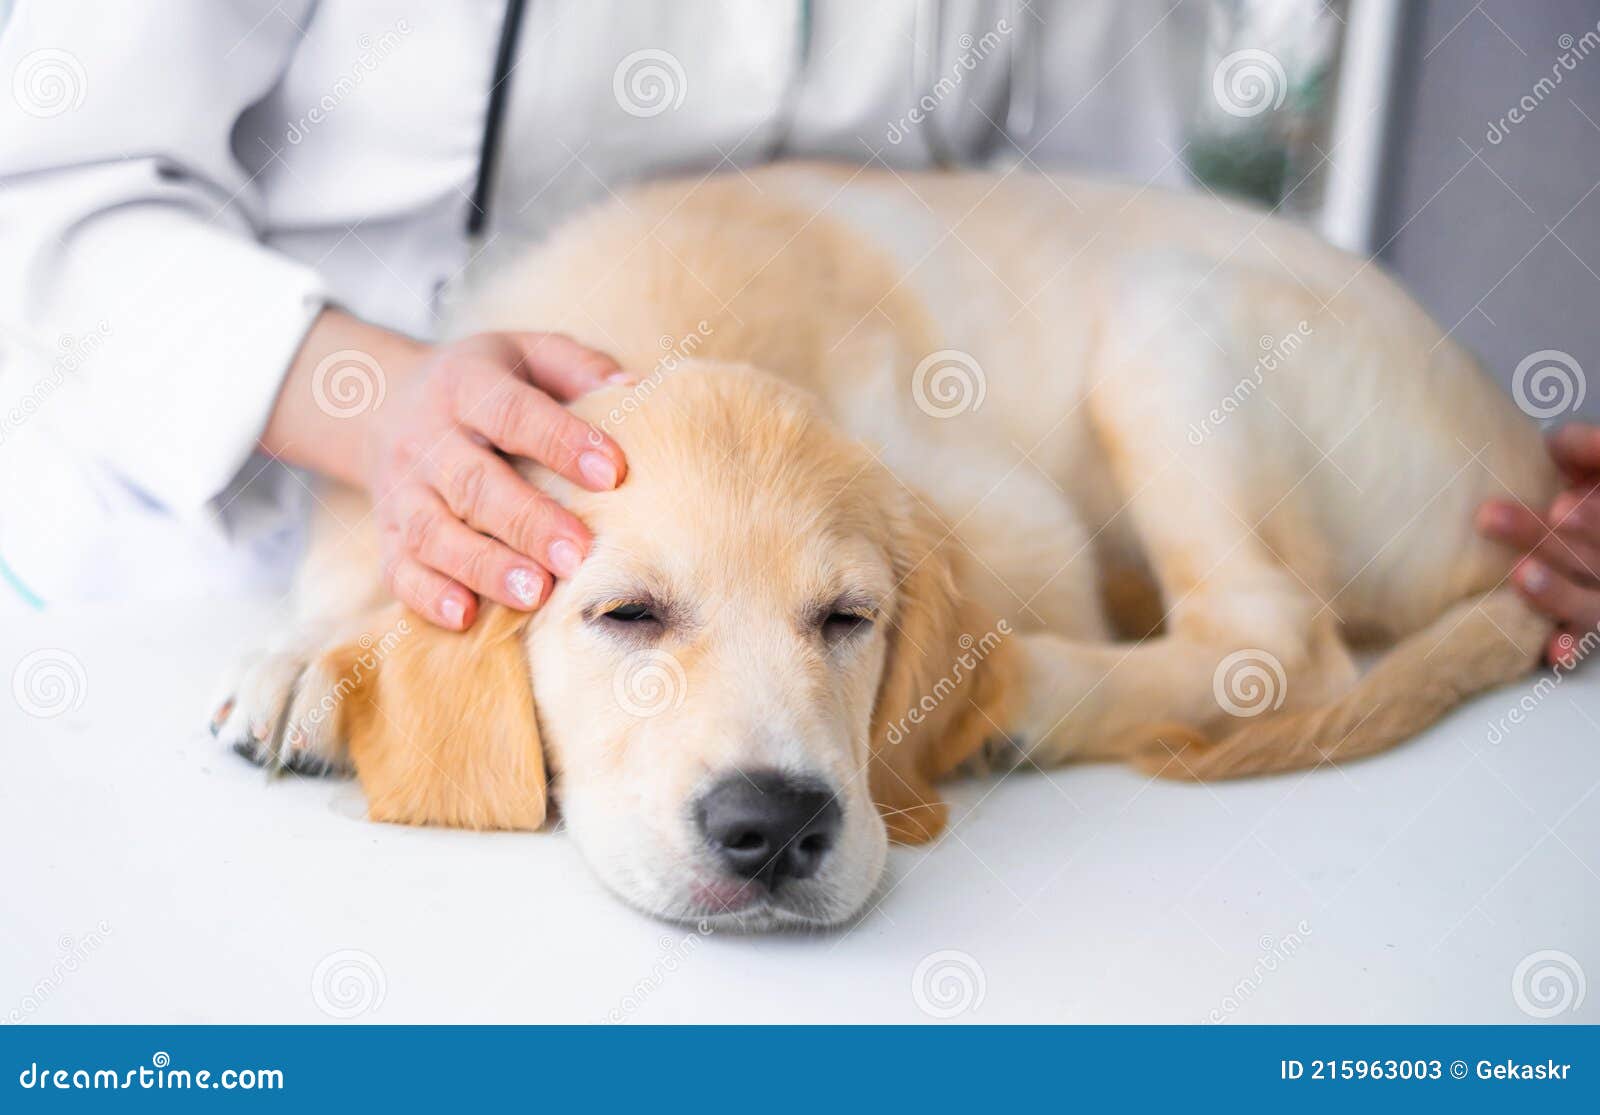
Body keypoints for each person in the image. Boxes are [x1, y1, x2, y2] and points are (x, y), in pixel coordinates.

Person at [1, 1, 1595, 660]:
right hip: (226, 580)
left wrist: (1467, 505)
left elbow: (1117, 235)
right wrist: (379, 403)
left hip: (813, 650)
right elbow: (46, 191)